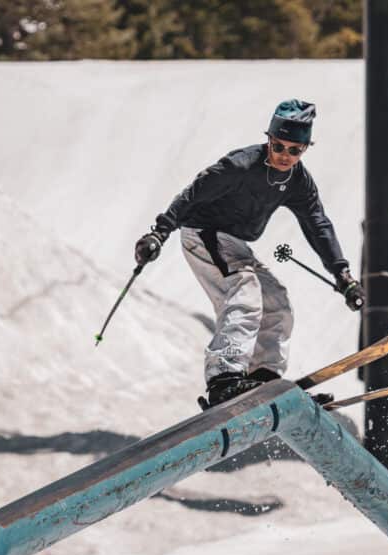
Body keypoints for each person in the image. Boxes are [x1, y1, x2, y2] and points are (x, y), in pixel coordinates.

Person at [134, 99, 365, 407]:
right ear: (268, 140)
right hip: (204, 232)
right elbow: (193, 192)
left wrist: (343, 275)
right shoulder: (241, 165)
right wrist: (159, 232)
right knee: (244, 290)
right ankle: (224, 377)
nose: (285, 156)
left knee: (276, 302)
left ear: (305, 149)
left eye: (294, 150)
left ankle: (264, 377)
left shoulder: (298, 183)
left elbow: (318, 225)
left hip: (234, 243)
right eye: (278, 146)